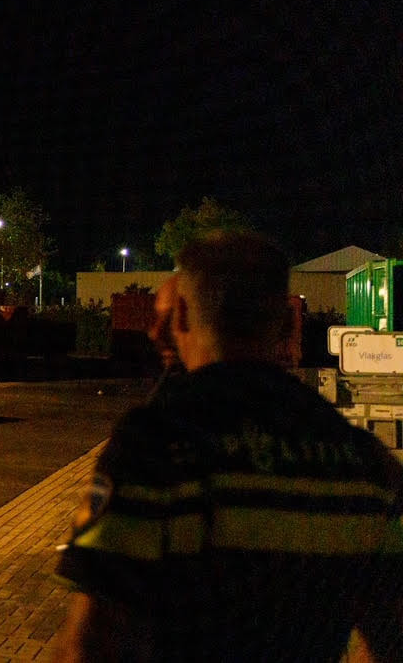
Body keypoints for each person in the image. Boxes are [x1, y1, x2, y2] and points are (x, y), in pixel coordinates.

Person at [54, 230, 403, 662]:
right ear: (289, 323)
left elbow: (91, 643)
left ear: (180, 313)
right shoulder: (368, 466)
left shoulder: (153, 446)